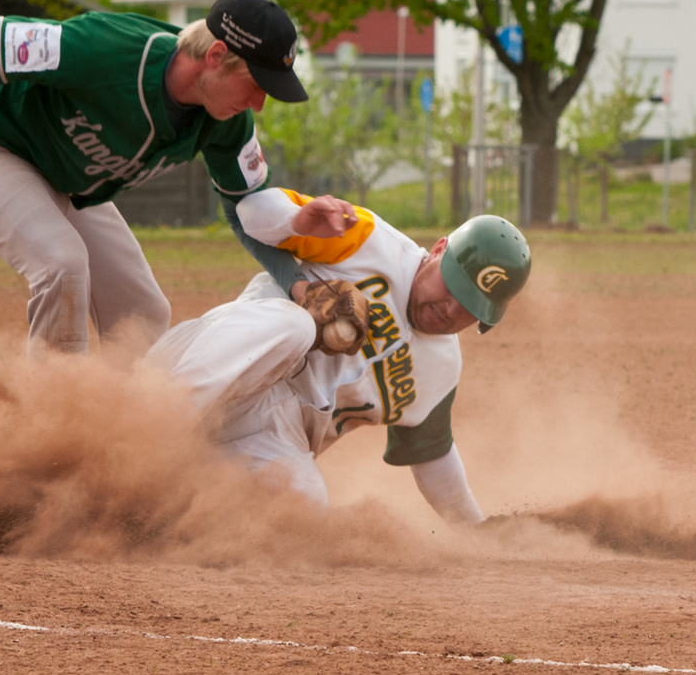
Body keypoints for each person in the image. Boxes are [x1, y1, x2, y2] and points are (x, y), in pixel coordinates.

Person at [0, 0, 308, 354]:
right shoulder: (108, 49)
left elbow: (247, 208)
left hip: (59, 178)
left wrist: (299, 285)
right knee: (62, 264)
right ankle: (57, 432)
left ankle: (112, 437)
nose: (260, 103)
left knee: (142, 314)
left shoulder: (225, 119)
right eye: (256, 84)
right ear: (215, 56)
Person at [145, 187, 531, 525]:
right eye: (453, 286)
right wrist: (296, 220)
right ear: (438, 250)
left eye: (469, 308)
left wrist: (473, 528)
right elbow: (252, 211)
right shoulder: (368, 239)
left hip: (276, 435)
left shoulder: (441, 369)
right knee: (295, 327)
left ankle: (165, 508)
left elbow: (433, 454)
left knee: (305, 507)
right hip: (211, 364)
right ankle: (140, 435)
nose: (451, 309)